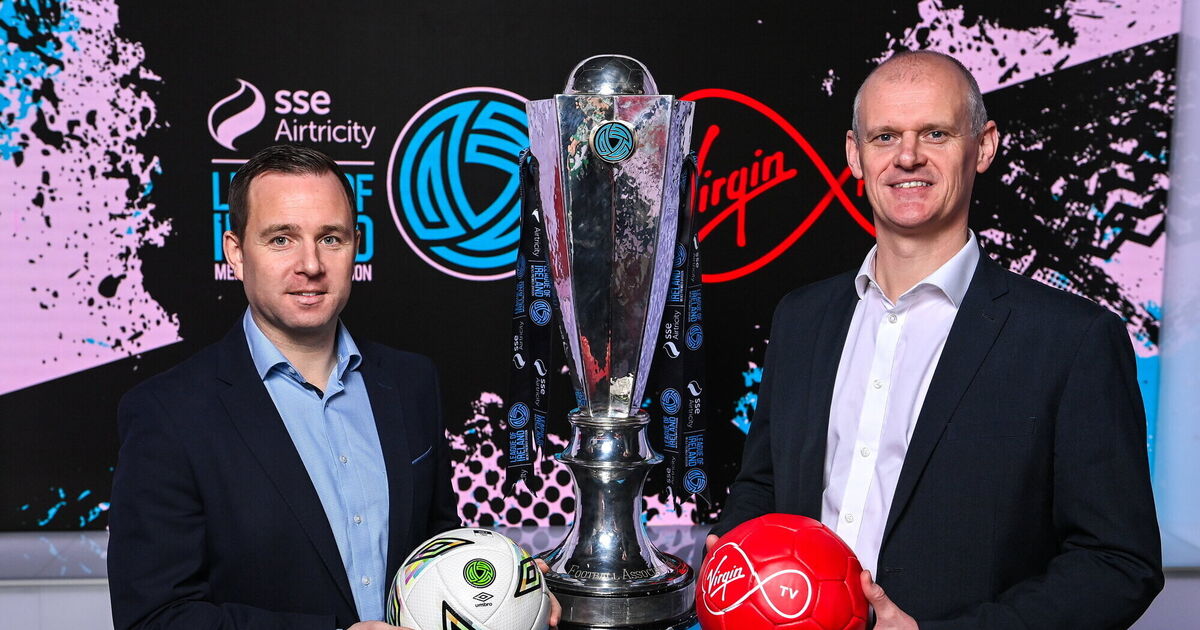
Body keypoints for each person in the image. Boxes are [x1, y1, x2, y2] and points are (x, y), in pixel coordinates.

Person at [710, 51, 1163, 629]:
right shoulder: (801, 319)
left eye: (935, 133)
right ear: (854, 154)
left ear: (985, 146)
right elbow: (764, 484)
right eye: (885, 136)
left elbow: (1118, 564)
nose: (907, 157)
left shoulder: (1074, 340)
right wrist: (731, 557)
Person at [108, 145, 462, 630]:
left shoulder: (411, 382)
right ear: (236, 253)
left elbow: (438, 552)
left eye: (331, 238)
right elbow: (155, 618)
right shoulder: (167, 414)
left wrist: (508, 589)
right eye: (281, 239)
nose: (311, 264)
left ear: (355, 246)